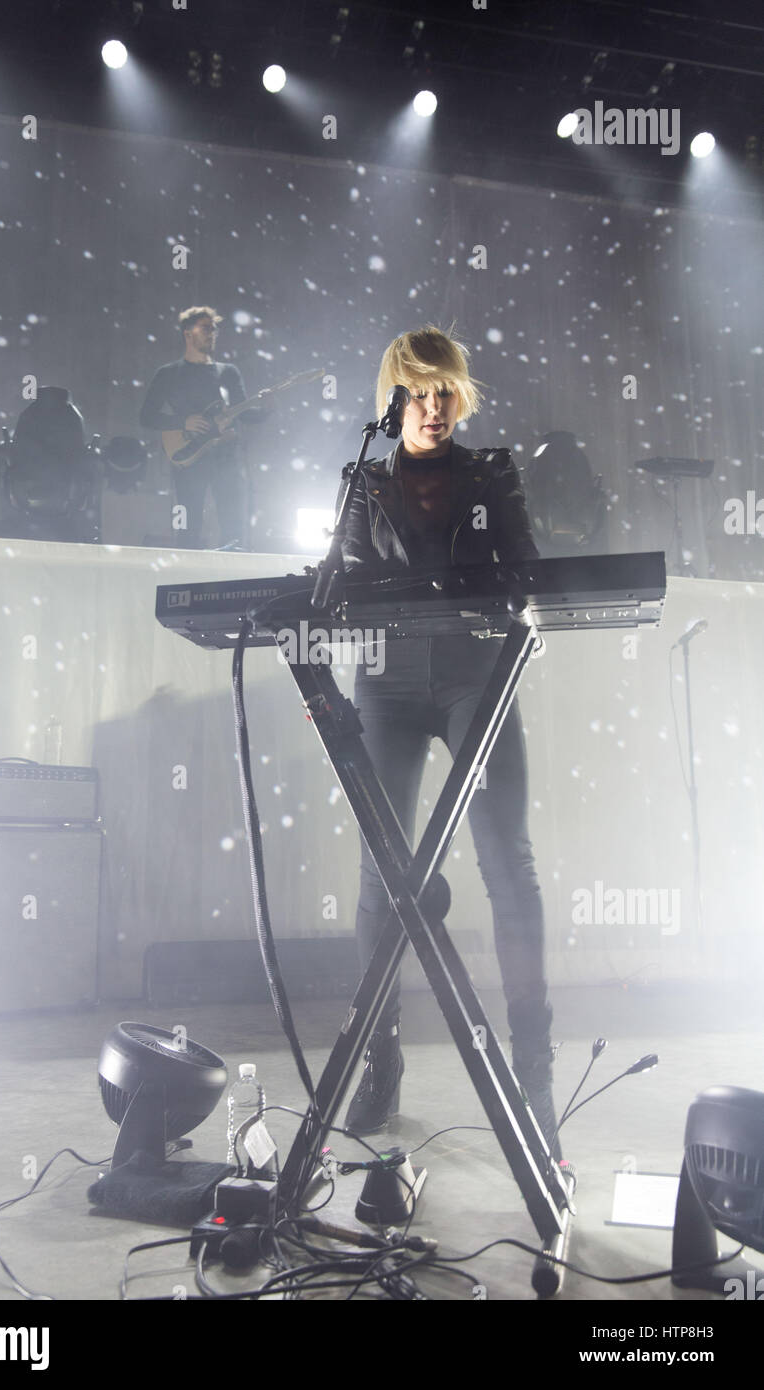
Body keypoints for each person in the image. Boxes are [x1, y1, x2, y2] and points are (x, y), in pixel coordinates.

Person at [340, 325, 562, 1158]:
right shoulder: (363, 480)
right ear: (393, 398)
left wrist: (509, 606)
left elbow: (526, 565)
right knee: (382, 871)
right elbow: (342, 583)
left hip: (475, 669)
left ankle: (533, 1069)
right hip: (387, 681)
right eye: (419, 394)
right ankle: (380, 1062)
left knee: (506, 860)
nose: (433, 409)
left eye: (445, 394)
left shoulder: (491, 471)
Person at [140, 306, 267, 549]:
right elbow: (146, 417)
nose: (212, 333)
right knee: (189, 526)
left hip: (226, 456)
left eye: (214, 328)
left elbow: (245, 413)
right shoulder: (168, 374)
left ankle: (232, 568)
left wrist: (268, 408)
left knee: (233, 525)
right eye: (206, 328)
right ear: (188, 333)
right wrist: (183, 422)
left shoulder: (228, 372)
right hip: (189, 456)